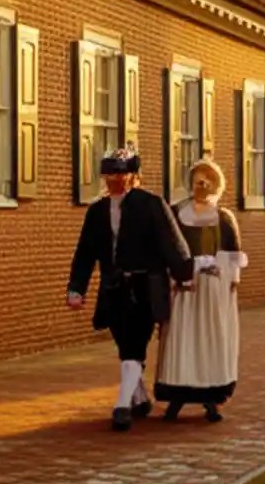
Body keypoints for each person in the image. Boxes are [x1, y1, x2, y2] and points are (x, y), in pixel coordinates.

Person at [67, 146, 193, 432]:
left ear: (134, 176)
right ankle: (139, 397)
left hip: (144, 285)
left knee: (136, 344)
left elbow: (170, 241)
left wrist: (183, 273)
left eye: (121, 173)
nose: (115, 179)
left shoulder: (150, 204)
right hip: (113, 287)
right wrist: (76, 288)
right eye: (110, 173)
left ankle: (122, 405)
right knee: (124, 345)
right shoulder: (97, 211)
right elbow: (85, 252)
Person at [155, 159, 246, 422]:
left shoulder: (224, 218)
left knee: (209, 336)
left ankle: (210, 392)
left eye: (208, 178)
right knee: (182, 336)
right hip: (185, 288)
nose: (202, 183)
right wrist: (177, 274)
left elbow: (233, 254)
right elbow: (168, 248)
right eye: (198, 178)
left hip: (213, 290)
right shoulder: (175, 214)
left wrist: (228, 278)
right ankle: (178, 388)